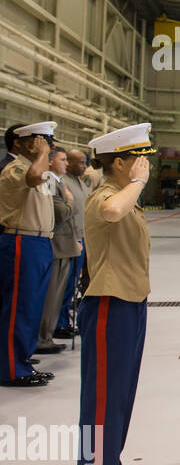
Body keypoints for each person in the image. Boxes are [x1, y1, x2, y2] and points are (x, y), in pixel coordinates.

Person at [77, 123, 156, 465]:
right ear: (120, 162)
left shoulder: (124, 195)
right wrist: (138, 184)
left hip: (129, 302)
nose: (144, 165)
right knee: (102, 402)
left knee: (119, 399)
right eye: (138, 159)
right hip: (110, 304)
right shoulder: (105, 197)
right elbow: (110, 212)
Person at [0, 122, 58, 387]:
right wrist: (43, 154)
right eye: (40, 140)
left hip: (41, 242)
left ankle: (21, 360)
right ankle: (11, 369)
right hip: (21, 240)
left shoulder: (38, 167)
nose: (46, 145)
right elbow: (33, 177)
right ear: (19, 143)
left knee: (32, 307)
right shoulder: (16, 168)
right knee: (18, 308)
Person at [37, 147, 79, 355]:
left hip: (66, 244)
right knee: (51, 296)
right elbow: (61, 213)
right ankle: (42, 338)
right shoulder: (50, 181)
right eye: (62, 160)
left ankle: (47, 335)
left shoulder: (57, 181)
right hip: (58, 246)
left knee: (59, 296)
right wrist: (71, 200)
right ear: (51, 161)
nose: (66, 163)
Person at [53, 150, 91, 339]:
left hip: (84, 237)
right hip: (71, 239)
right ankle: (59, 323)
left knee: (76, 282)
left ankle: (66, 321)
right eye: (80, 162)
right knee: (65, 284)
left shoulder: (81, 183)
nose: (83, 166)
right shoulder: (63, 183)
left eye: (85, 162)